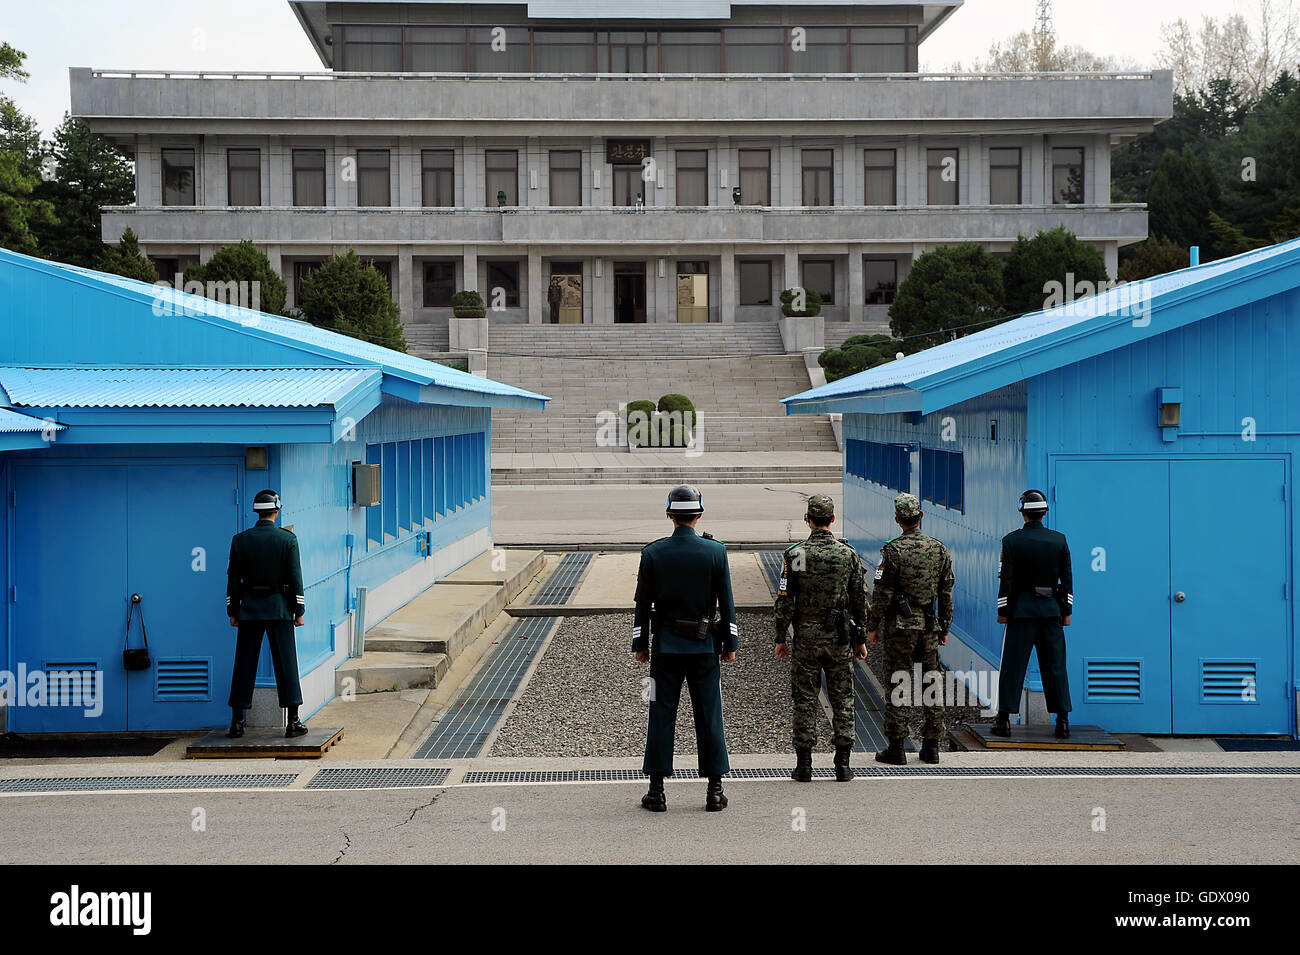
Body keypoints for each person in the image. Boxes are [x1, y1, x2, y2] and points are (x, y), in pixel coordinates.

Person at [632, 485, 738, 812]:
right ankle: (715, 791)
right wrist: (730, 643)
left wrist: (640, 643)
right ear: (699, 514)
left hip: (665, 648)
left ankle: (657, 790)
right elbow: (727, 604)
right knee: (709, 716)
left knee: (661, 715)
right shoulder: (715, 552)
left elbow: (641, 605)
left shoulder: (652, 554)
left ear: (669, 514)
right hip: (704, 647)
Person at [773, 494, 868, 782]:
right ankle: (843, 764)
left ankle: (804, 765)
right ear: (833, 520)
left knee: (804, 699)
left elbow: (785, 600)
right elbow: (859, 601)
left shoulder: (797, 555)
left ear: (808, 520)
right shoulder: (847, 555)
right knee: (843, 699)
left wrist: (781, 636)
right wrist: (860, 638)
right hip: (839, 638)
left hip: (807, 638)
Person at [865, 492, 954, 766]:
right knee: (932, 684)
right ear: (921, 516)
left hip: (900, 629)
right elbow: (946, 593)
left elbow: (881, 595)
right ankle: (931, 747)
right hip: (929, 626)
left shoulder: (892, 551)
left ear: (897, 520)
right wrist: (944, 627)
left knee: (899, 683)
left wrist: (872, 627)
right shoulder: (939, 549)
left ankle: (897, 747)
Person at [226, 489, 308, 739]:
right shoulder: (287, 540)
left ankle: (238, 722)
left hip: (250, 608)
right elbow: (295, 578)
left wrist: (233, 610)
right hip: (280, 608)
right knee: (286, 664)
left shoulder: (240, 540)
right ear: (277, 510)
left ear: (256, 512)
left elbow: (233, 579)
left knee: (244, 665)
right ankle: (292, 721)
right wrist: (299, 610)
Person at [993, 489, 1074, 739]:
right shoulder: (1059, 540)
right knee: (1055, 666)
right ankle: (1062, 721)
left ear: (1023, 512)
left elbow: (1006, 580)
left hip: (1020, 612)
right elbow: (1067, 579)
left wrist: (1003, 611)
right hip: (1051, 611)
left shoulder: (1011, 541)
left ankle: (1004, 719)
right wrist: (1066, 611)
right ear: (1045, 512)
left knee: (1013, 666)